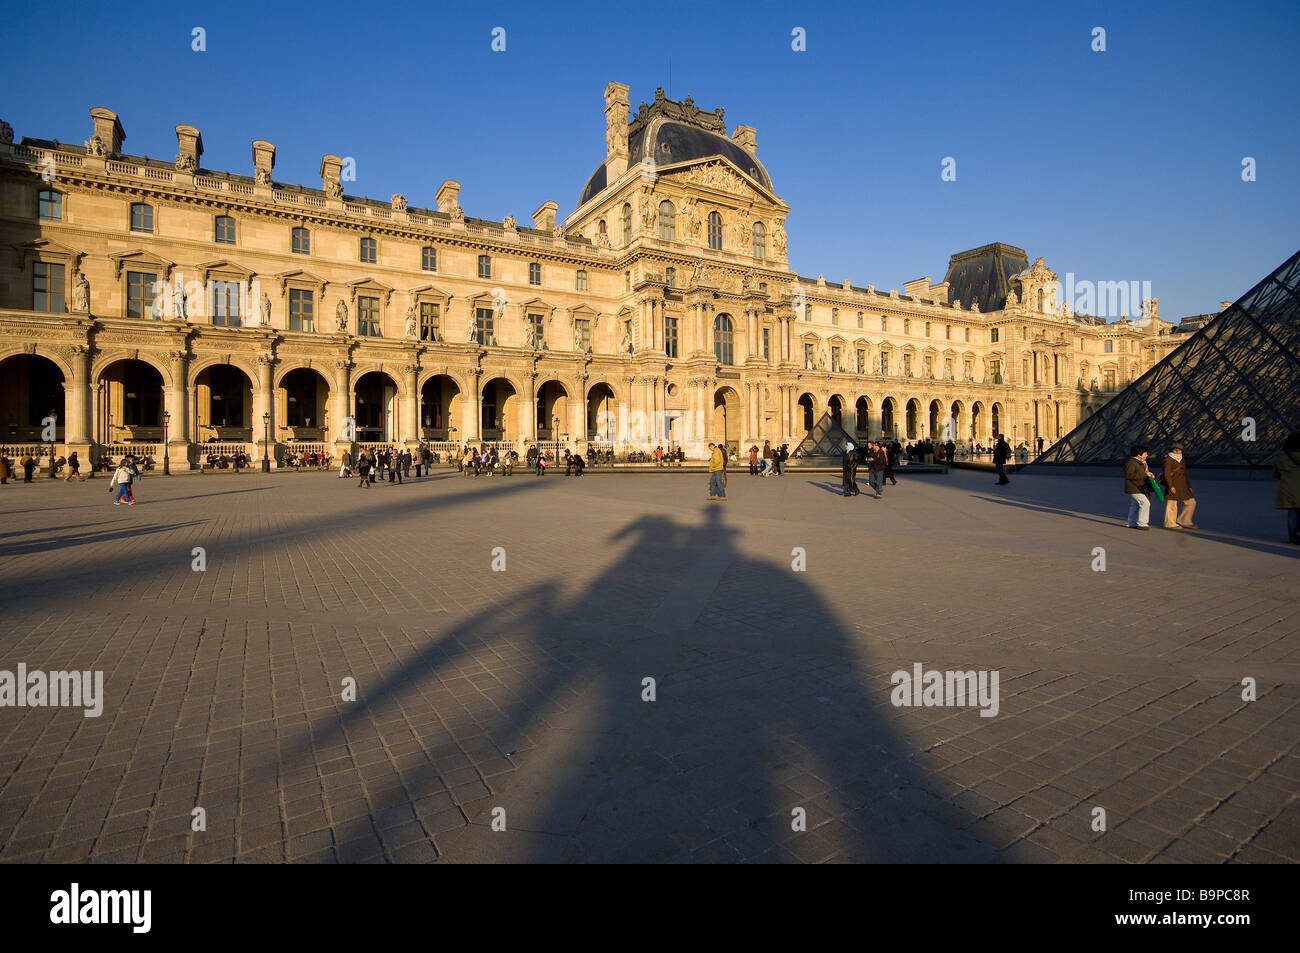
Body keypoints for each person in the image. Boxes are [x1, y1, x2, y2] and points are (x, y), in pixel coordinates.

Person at [1271, 432, 1300, 544]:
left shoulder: (1281, 459)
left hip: (1289, 492)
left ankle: (1293, 537)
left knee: (1292, 515)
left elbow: (1276, 475)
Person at [1160, 444, 1197, 530]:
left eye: (1179, 450)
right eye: (1175, 449)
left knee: (1191, 502)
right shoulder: (1168, 459)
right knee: (1172, 504)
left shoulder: (1182, 459)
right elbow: (1167, 474)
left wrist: (1189, 485)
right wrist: (1171, 486)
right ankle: (1169, 523)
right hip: (1173, 484)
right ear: (1172, 450)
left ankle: (1184, 520)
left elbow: (1185, 474)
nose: (1177, 451)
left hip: (1183, 485)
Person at [1124, 444, 1156, 530]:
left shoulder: (1141, 462)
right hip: (1134, 487)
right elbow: (1129, 474)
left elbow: (1142, 473)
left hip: (1138, 486)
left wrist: (1149, 474)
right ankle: (1142, 523)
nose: (1147, 455)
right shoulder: (1132, 462)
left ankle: (1132, 522)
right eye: (1145, 453)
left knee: (1135, 505)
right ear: (1139, 454)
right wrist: (1145, 474)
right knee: (1145, 503)